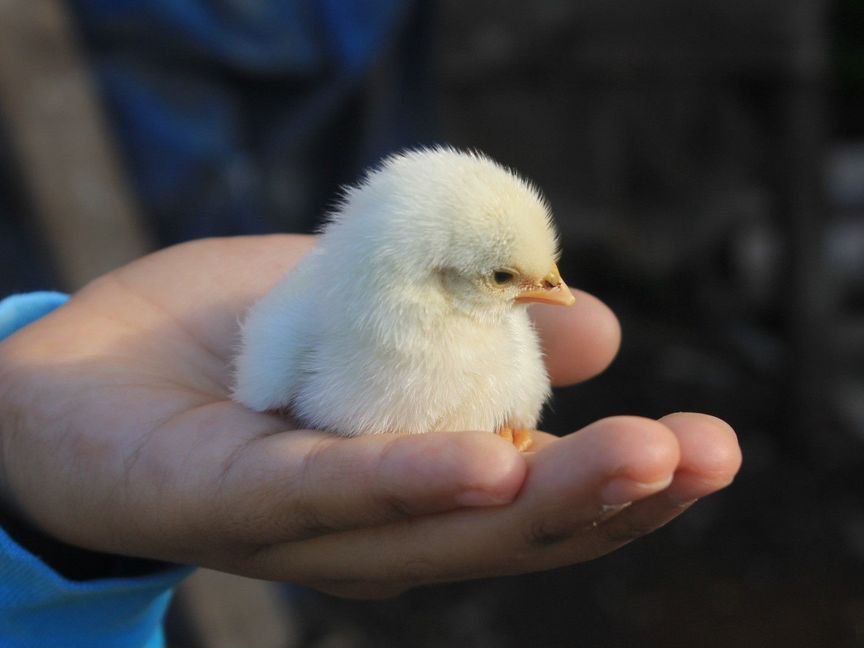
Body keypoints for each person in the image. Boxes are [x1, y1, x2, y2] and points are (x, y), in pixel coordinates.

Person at [0, 235, 742, 648]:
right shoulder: (318, 322)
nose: (553, 294)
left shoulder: (500, 336)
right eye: (510, 277)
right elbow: (265, 382)